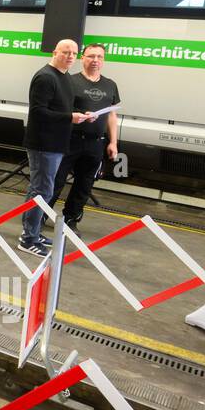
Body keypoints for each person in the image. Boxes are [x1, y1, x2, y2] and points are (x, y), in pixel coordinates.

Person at [20, 39, 92, 256]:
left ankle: (31, 231)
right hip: (43, 144)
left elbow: (63, 107)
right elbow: (38, 112)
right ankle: (28, 238)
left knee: (41, 189)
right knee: (42, 190)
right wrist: (71, 117)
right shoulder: (46, 77)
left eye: (74, 53)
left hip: (57, 143)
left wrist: (81, 115)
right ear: (55, 52)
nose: (70, 56)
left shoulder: (65, 77)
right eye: (66, 52)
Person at [51, 43, 121, 229]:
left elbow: (112, 115)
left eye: (99, 57)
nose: (95, 60)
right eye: (91, 56)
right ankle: (41, 215)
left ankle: (70, 220)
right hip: (69, 140)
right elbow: (60, 110)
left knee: (84, 185)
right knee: (56, 181)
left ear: (104, 60)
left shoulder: (110, 85)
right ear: (83, 58)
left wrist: (113, 142)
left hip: (95, 144)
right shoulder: (69, 81)